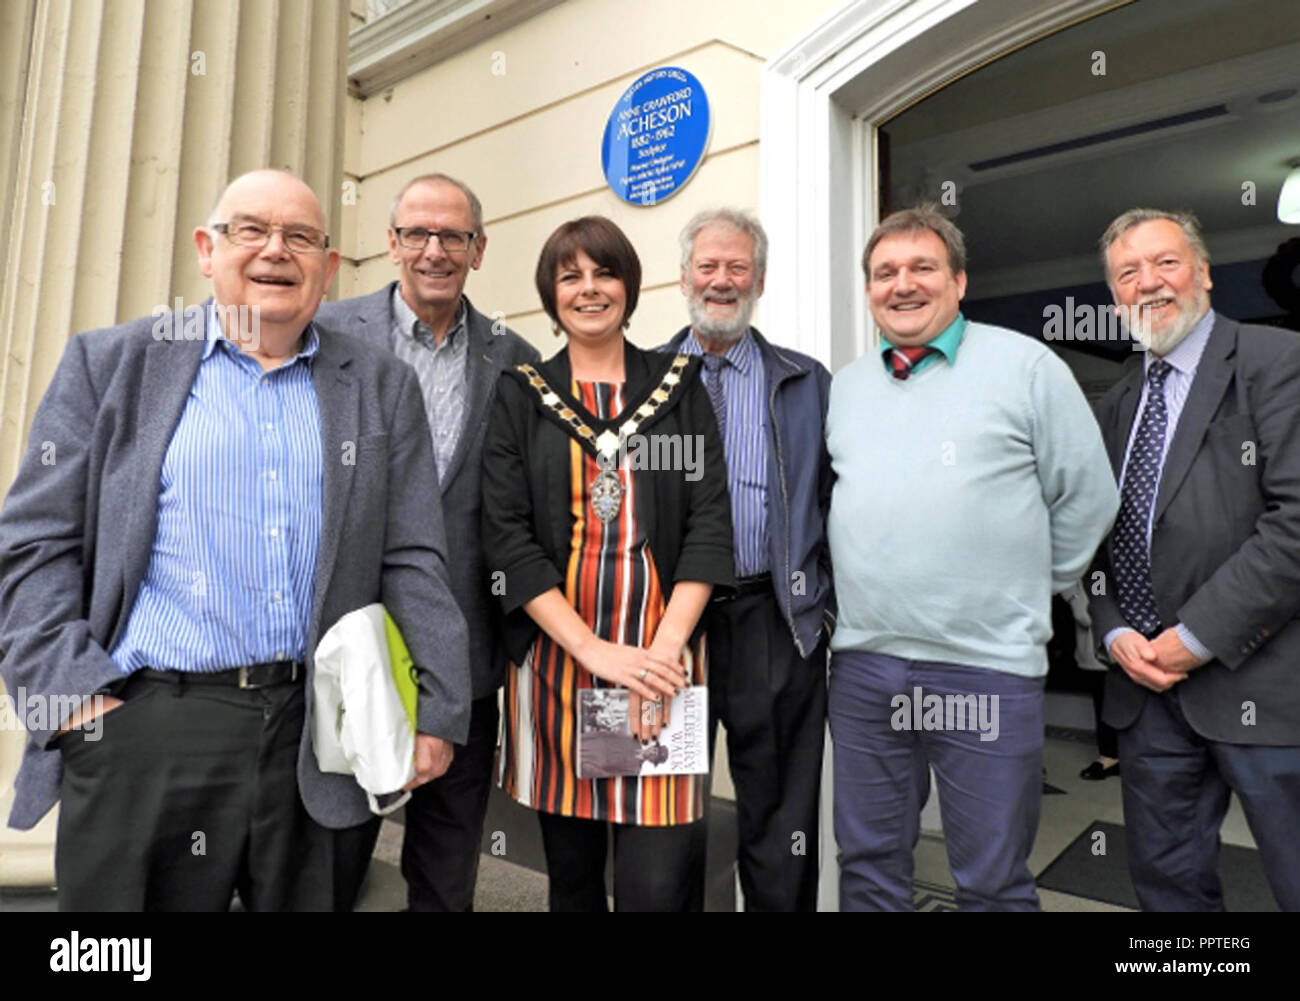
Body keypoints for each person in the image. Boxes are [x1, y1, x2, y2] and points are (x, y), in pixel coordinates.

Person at [0, 169, 470, 911]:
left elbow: (412, 555)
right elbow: (33, 543)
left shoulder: (379, 385)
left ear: (329, 265)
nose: (274, 251)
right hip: (145, 726)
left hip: (314, 735)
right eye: (250, 229)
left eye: (301, 237)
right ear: (206, 249)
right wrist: (69, 698)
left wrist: (440, 710)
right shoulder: (110, 365)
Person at [825, 205, 1117, 911]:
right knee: (867, 865)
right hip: (865, 668)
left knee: (990, 881)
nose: (903, 284)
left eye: (922, 267)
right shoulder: (846, 387)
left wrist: (1032, 585)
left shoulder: (1026, 365)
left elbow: (1089, 495)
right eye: (884, 272)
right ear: (868, 290)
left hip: (986, 666)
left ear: (959, 281)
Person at [482, 215, 734, 911]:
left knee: (657, 885)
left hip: (661, 665)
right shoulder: (521, 394)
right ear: (550, 295)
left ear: (629, 283)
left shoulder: (680, 386)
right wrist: (595, 650)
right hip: (560, 668)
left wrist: (657, 656)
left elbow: (712, 522)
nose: (589, 289)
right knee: (573, 881)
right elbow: (506, 538)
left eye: (604, 272)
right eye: (571, 276)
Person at [315, 173, 539, 912]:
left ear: (479, 248)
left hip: (463, 656)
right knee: (329, 863)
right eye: (418, 233)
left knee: (445, 875)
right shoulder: (328, 333)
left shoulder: (516, 359)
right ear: (392, 242)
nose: (434, 250)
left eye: (453, 236)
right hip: (345, 644)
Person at [1087, 208, 1300, 911]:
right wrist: (1116, 630)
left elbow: (1294, 521)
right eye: (1127, 273)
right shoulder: (1115, 404)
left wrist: (1194, 637)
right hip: (1147, 698)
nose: (1149, 283)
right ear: (1115, 296)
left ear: (1203, 272)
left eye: (1166, 262)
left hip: (1265, 687)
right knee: (1168, 892)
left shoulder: (1276, 361)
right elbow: (1095, 540)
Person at [662, 208, 832, 911]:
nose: (722, 280)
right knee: (661, 815)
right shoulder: (642, 381)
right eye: (709, 266)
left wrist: (828, 611)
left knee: (780, 817)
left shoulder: (807, 381)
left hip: (776, 620)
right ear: (684, 278)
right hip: (665, 632)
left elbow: (838, 501)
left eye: (738, 267)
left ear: (759, 279)